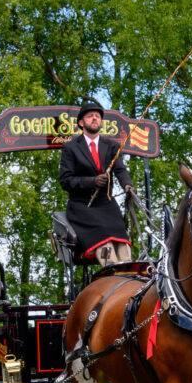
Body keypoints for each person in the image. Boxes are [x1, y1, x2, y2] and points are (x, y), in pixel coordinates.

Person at [58, 100, 134, 265]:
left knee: (122, 239)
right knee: (104, 236)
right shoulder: (71, 148)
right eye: (90, 116)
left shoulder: (111, 146)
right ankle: (111, 271)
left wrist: (128, 186)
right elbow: (66, 180)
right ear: (81, 122)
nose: (95, 119)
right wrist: (92, 181)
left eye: (98, 116)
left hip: (106, 205)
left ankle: (129, 272)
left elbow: (120, 169)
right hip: (82, 207)